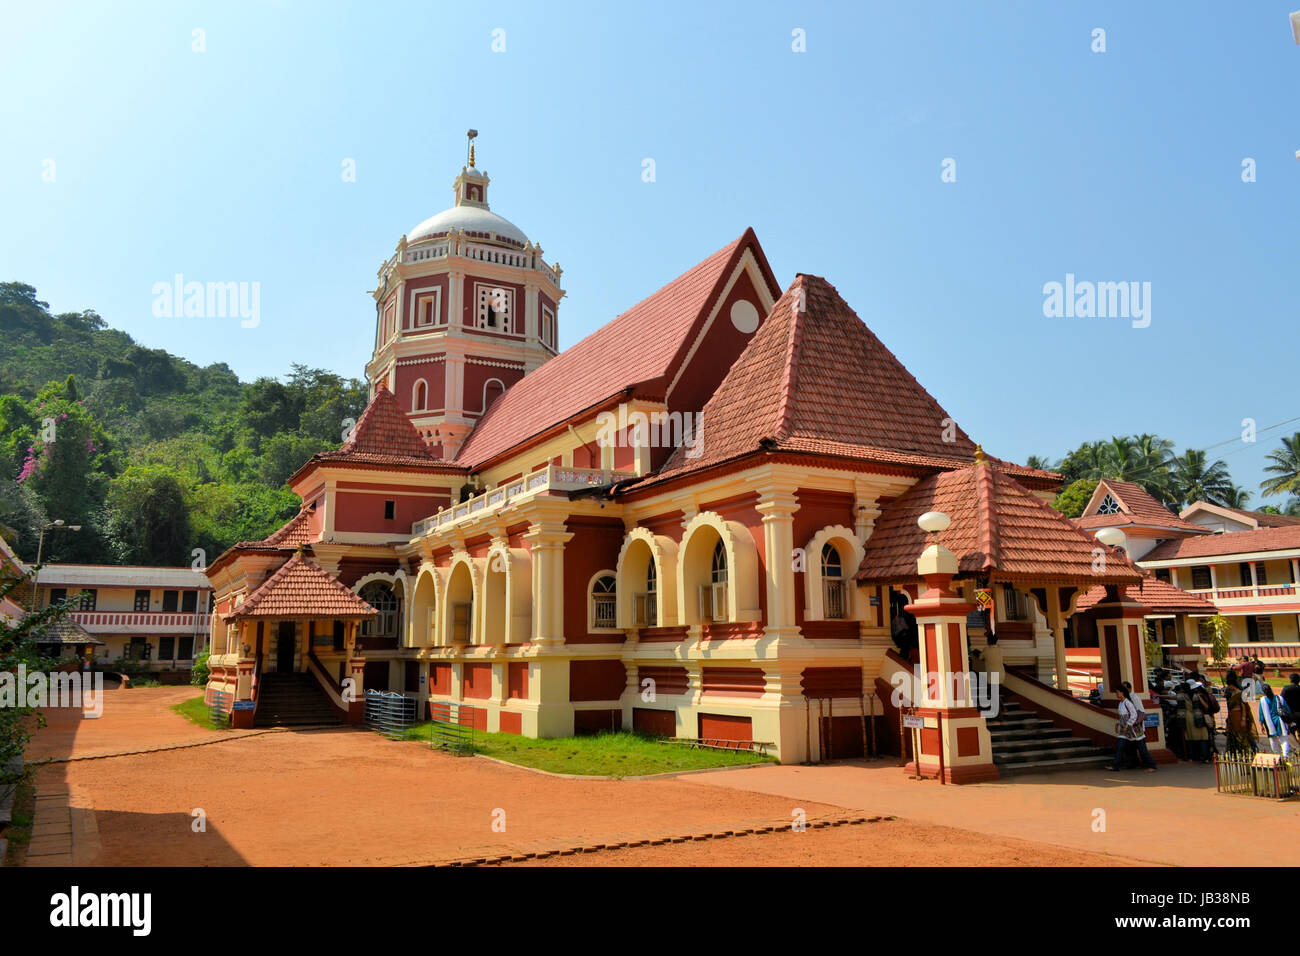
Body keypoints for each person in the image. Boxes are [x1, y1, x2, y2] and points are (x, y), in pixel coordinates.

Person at [1110, 684, 1157, 772]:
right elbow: (1122, 717)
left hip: (1133, 729)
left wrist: (1128, 724)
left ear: (1122, 693)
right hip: (1125, 729)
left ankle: (1152, 765)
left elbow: (1134, 714)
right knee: (1120, 746)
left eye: (1117, 692)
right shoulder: (1120, 703)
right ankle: (1116, 766)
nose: (1116, 694)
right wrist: (1118, 724)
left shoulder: (1128, 703)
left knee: (1142, 749)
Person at [1224, 670, 1257, 756]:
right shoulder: (1231, 693)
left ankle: (1249, 752)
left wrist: (1243, 719)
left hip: (1239, 716)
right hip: (1233, 717)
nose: (1229, 687)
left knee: (1242, 736)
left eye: (1229, 685)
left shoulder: (1240, 693)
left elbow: (1244, 707)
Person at [1176, 682, 1211, 762]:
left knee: (1190, 738)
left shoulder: (1182, 696)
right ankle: (1205, 757)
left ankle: (1192, 757)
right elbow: (1206, 706)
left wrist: (1160, 696)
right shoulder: (1197, 695)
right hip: (1198, 717)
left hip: (1188, 718)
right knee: (1203, 737)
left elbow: (1171, 697)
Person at [1258, 684, 1292, 757]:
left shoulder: (1263, 700)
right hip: (1281, 722)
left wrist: (1261, 726)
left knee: (1273, 741)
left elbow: (1261, 715)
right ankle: (1285, 756)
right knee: (1284, 739)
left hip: (1269, 723)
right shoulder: (1279, 698)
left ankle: (1277, 756)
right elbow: (1287, 709)